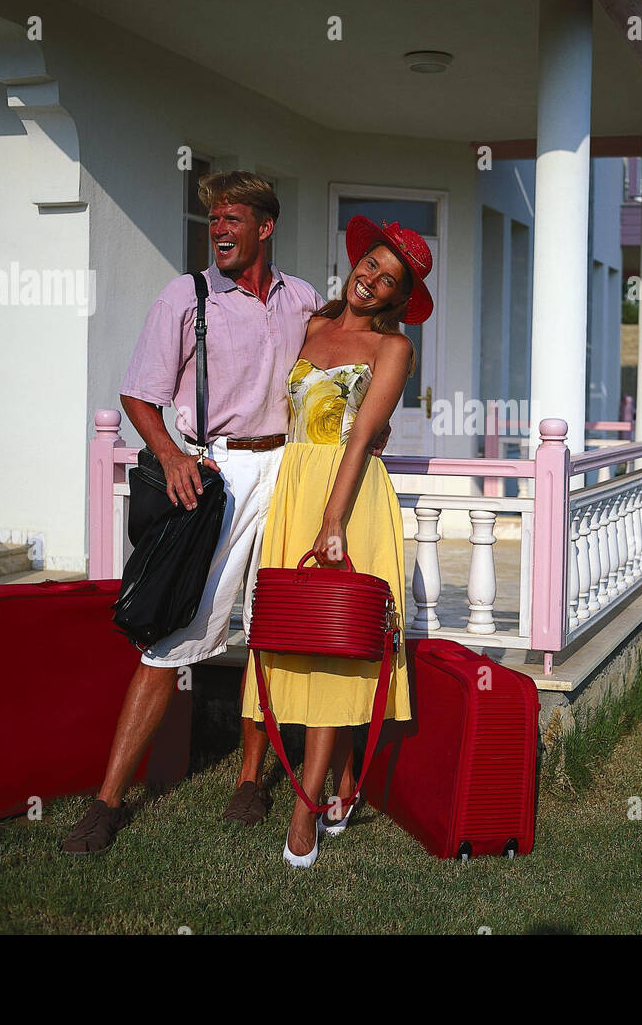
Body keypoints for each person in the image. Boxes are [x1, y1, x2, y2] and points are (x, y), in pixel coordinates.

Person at [61, 171, 384, 854]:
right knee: (170, 636)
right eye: (215, 222)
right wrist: (173, 456)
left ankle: (250, 777)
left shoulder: (304, 302)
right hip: (221, 471)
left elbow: (344, 365)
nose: (221, 232)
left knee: (273, 626)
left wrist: (370, 421)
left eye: (234, 220)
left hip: (294, 470)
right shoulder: (188, 296)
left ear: (266, 227)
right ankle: (108, 800)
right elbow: (139, 396)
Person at [237, 214, 433, 868]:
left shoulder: (394, 350)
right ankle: (347, 784)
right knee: (302, 640)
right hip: (294, 490)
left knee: (335, 651)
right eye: (371, 264)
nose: (371, 279)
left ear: (399, 299)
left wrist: (332, 521)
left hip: (347, 504)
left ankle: (305, 812)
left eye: (389, 280)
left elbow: (357, 440)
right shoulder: (312, 325)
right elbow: (282, 409)